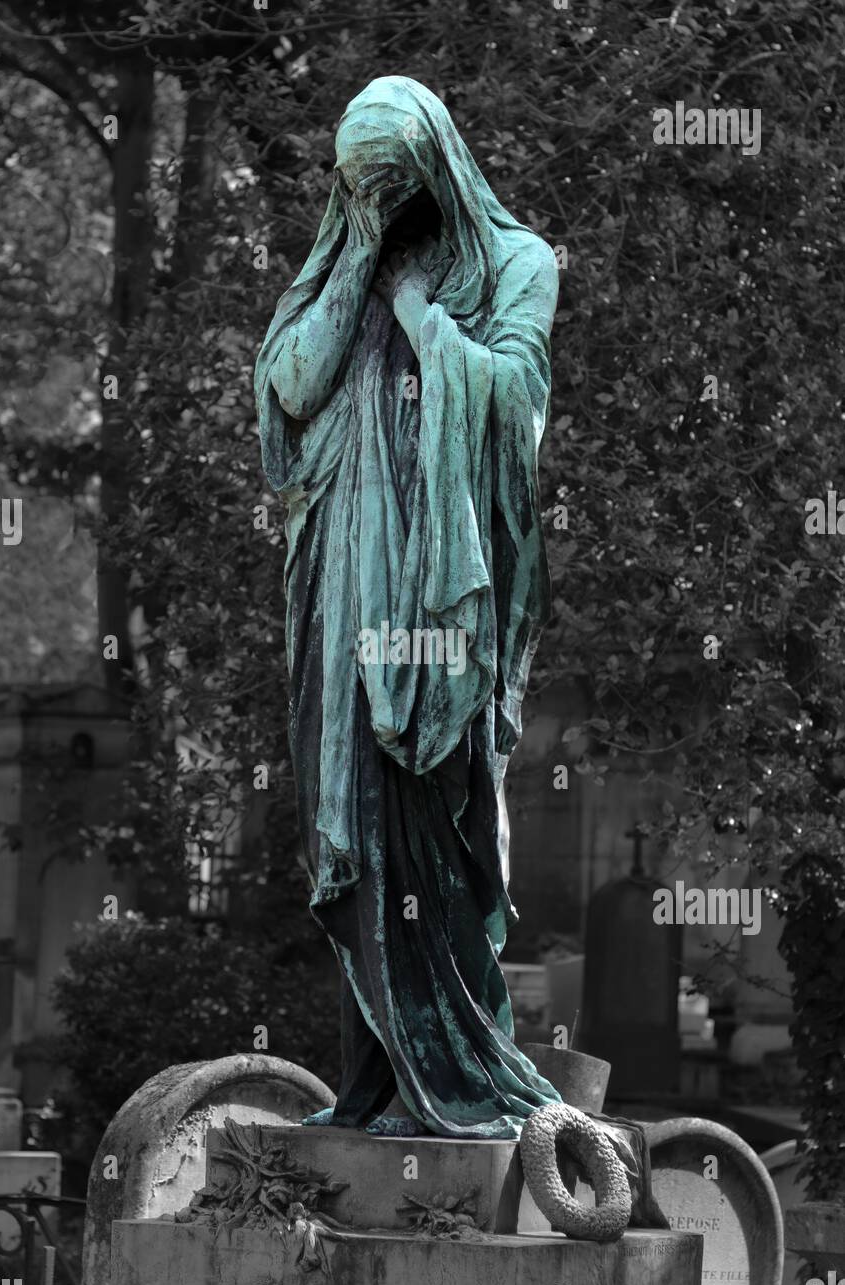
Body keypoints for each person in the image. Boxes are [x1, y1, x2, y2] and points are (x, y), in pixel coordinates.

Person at [254, 76, 562, 1138]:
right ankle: (381, 1084)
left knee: (433, 819)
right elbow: (292, 387)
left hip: (442, 610)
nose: (381, 202)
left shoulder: (518, 264)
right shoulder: (343, 259)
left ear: (436, 164)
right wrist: (354, 262)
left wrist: (421, 317)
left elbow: (514, 402)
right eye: (359, 188)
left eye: (392, 184)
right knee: (352, 829)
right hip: (347, 592)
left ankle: (464, 1075)